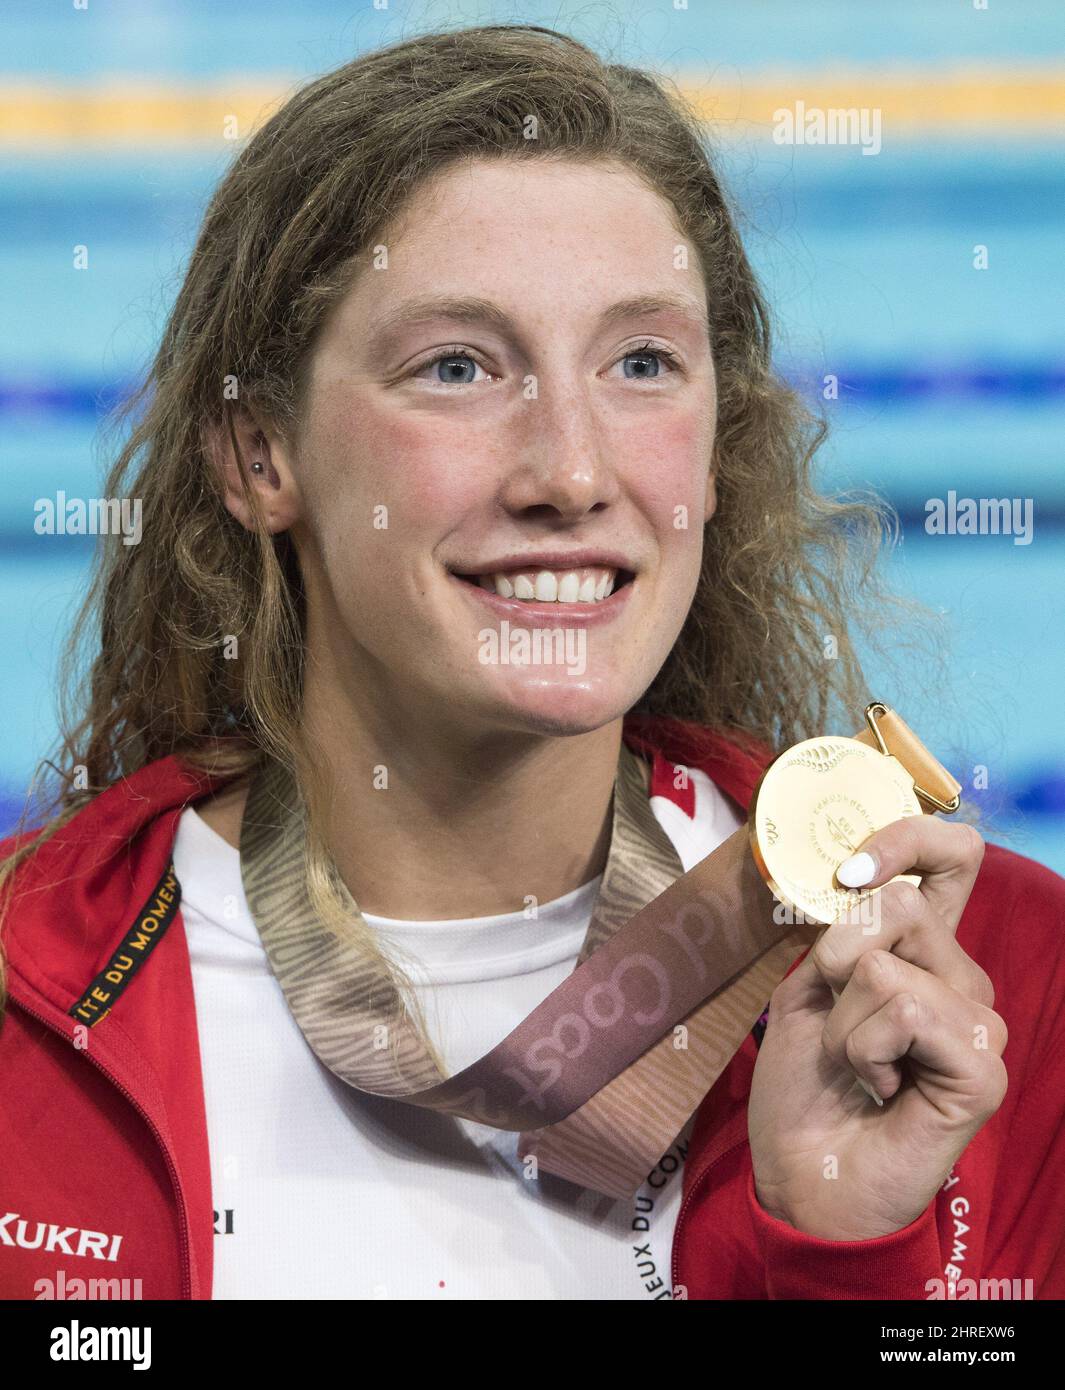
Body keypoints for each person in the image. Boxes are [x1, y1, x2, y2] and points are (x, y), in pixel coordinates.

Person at [1, 23, 1063, 1302]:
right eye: (456, 366)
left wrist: (838, 1254)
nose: (571, 470)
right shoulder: (29, 999)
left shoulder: (999, 979)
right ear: (258, 456)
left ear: (717, 446)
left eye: (641, 364)